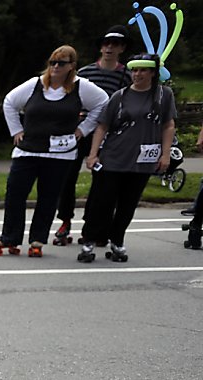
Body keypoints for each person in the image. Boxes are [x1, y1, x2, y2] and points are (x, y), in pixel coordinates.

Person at [0, 46, 108, 258]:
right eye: (52, 63)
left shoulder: (81, 87)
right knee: (15, 194)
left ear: (72, 66)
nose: (55, 67)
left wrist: (83, 130)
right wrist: (16, 130)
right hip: (28, 150)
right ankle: (9, 236)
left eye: (61, 63)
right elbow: (9, 102)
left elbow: (103, 103)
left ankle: (38, 237)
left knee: (48, 197)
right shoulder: (35, 84)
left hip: (60, 153)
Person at [77, 54, 175, 263]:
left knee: (128, 203)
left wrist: (165, 154)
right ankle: (90, 239)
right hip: (114, 157)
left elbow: (168, 125)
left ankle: (117, 240)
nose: (137, 74)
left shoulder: (163, 95)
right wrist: (93, 154)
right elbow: (102, 125)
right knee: (102, 202)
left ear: (152, 73)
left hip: (142, 160)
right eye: (134, 70)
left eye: (143, 70)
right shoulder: (120, 96)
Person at [53, 25, 133, 246]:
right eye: (106, 43)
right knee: (67, 177)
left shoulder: (127, 76)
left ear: (122, 48)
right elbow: (69, 97)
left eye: (115, 44)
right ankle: (65, 221)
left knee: (103, 183)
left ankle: (93, 226)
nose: (109, 48)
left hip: (108, 135)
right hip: (80, 131)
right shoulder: (86, 73)